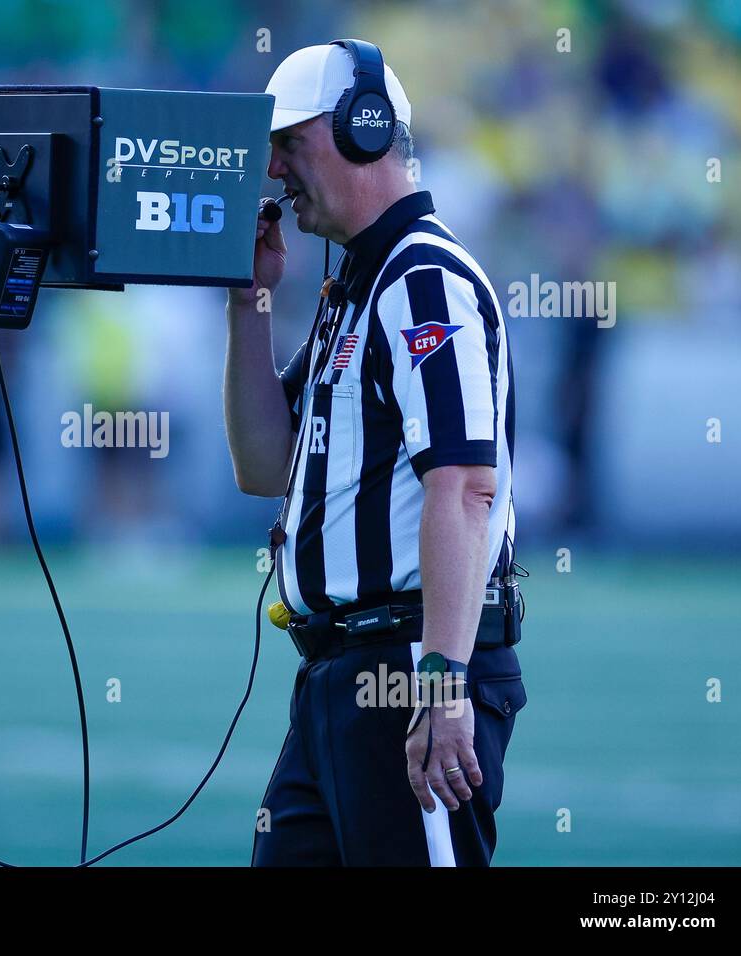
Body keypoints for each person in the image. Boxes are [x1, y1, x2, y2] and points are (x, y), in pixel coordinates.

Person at [224, 40, 527, 866]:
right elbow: (263, 468)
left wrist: (441, 684)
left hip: (408, 662)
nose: (276, 170)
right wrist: (249, 304)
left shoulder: (421, 278)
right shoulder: (355, 285)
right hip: (337, 674)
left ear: (364, 129)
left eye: (291, 142)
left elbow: (464, 487)